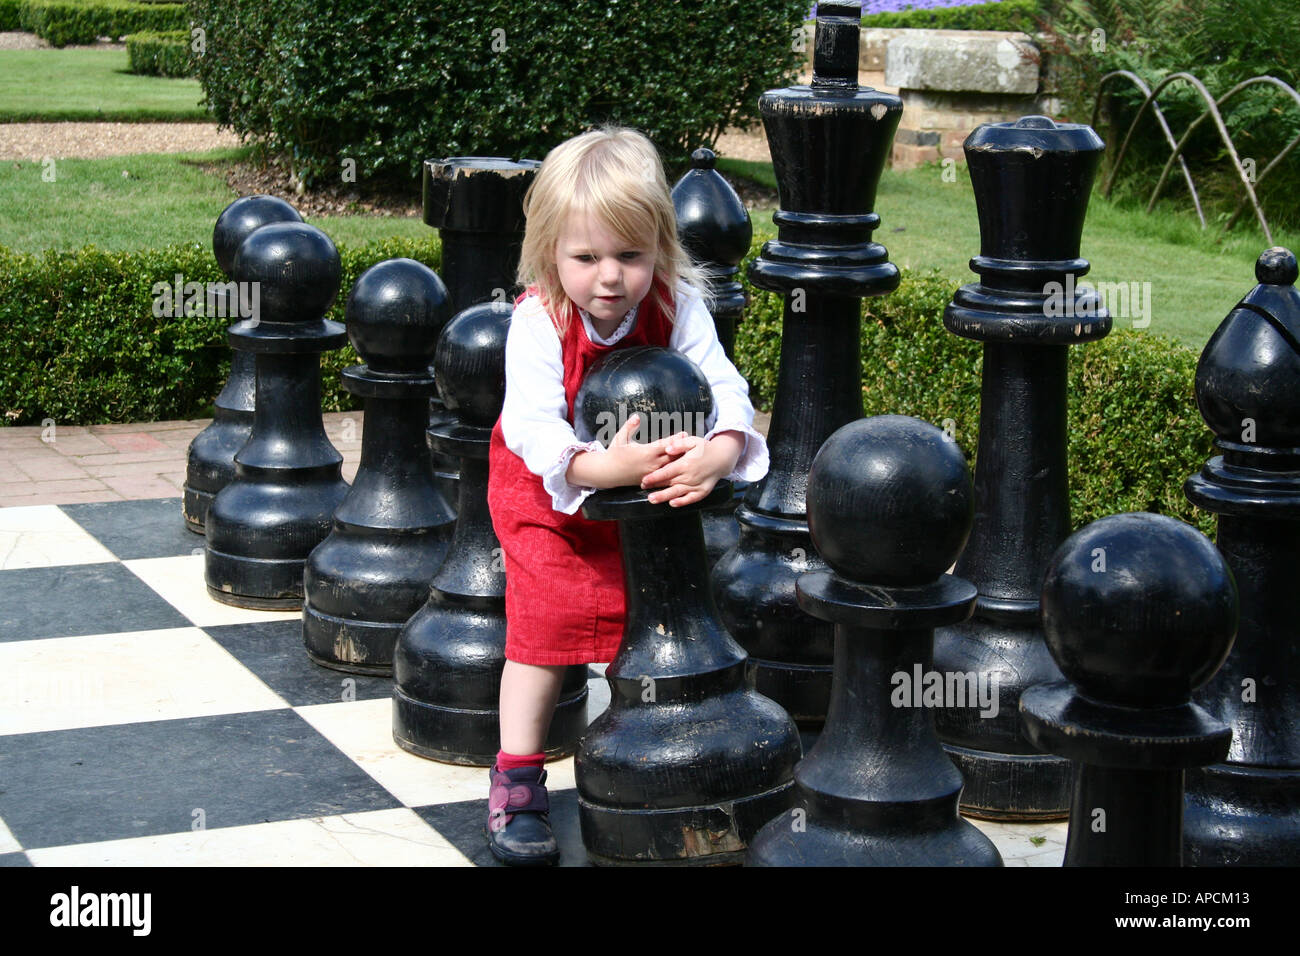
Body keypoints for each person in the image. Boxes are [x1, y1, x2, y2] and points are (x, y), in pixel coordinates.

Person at [485, 126, 769, 865]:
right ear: (550, 251)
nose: (609, 277)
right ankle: (516, 776)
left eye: (630, 255)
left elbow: (727, 389)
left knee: (639, 622)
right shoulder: (539, 321)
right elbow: (532, 426)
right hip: (550, 499)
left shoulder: (677, 305)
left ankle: (636, 752)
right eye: (586, 258)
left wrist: (721, 450)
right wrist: (596, 469)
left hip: (640, 501)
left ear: (660, 248)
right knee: (543, 631)